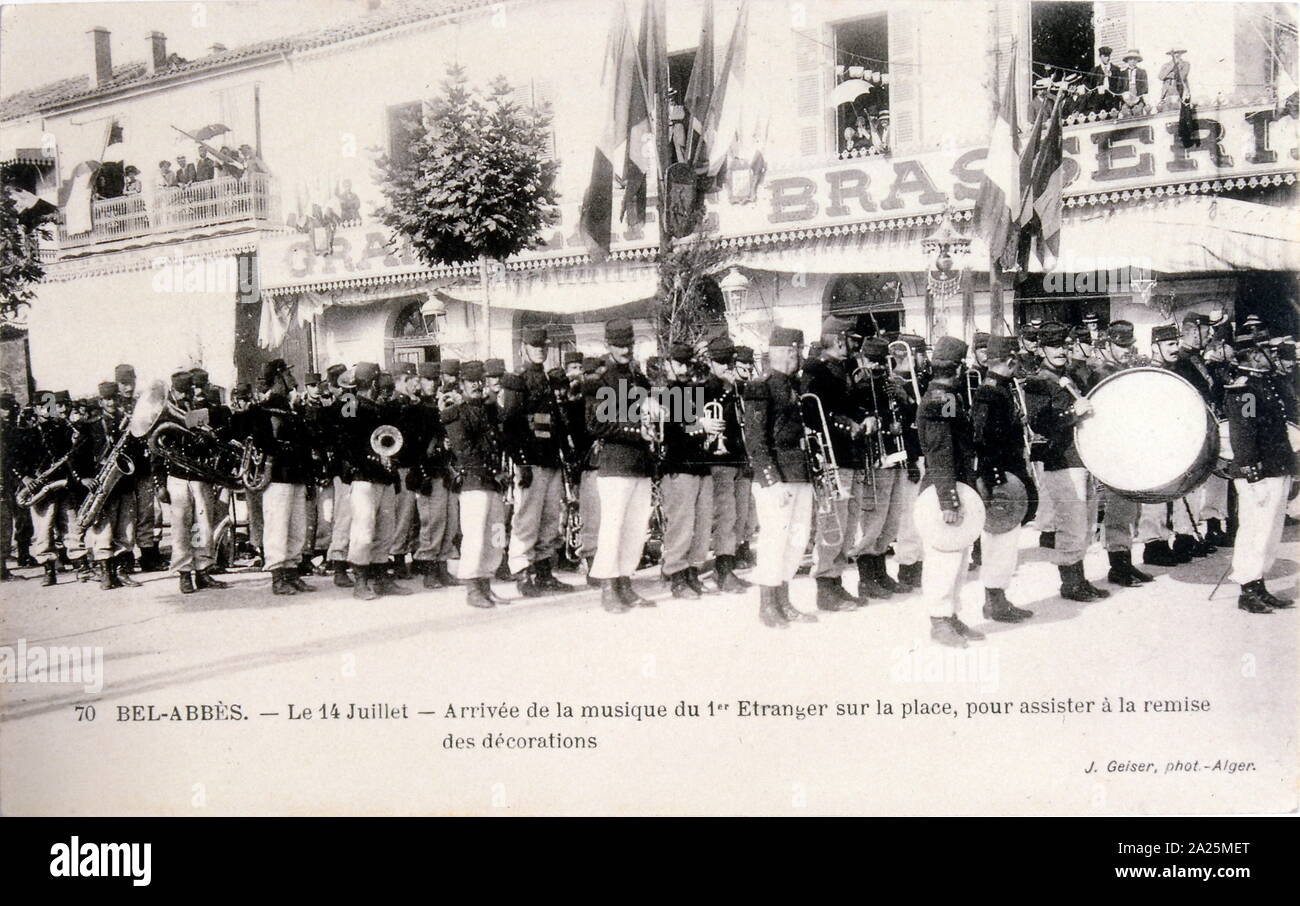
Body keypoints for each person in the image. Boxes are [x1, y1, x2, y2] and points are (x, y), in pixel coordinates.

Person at [1025, 322, 1110, 602]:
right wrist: (1073, 412)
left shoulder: (1072, 375)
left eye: (1064, 345)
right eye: (1053, 346)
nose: (1061, 351)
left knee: (1084, 523)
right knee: (1071, 524)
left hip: (1082, 458)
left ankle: (1080, 579)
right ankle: (1070, 583)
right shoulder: (1038, 382)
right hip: (1060, 460)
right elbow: (1040, 423)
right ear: (1041, 349)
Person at [743, 326, 817, 627]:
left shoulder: (793, 385)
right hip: (777, 479)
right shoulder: (761, 387)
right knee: (775, 540)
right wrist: (771, 481)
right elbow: (756, 440)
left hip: (798, 473)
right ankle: (767, 605)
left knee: (797, 540)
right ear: (789, 351)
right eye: (798, 351)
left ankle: (784, 600)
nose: (800, 357)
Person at [916, 337, 986, 647]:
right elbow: (940, 452)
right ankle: (939, 621)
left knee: (959, 557)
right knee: (943, 558)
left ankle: (952, 615)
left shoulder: (945, 396)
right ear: (957, 370)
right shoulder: (940, 399)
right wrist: (949, 500)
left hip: (956, 485)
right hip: (942, 489)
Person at [585, 318, 657, 613]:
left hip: (640, 463)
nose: (625, 350)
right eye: (619, 345)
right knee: (612, 527)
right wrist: (633, 430)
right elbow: (594, 424)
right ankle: (607, 586)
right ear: (608, 346)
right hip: (615, 464)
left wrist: (652, 424)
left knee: (636, 528)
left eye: (628, 344)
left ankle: (625, 581)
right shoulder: (598, 382)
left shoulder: (640, 381)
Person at [802, 316, 872, 610]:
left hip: (852, 455)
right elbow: (813, 411)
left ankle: (836, 581)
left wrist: (867, 417)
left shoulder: (843, 368)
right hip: (832, 456)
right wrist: (847, 424)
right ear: (836, 339)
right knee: (833, 522)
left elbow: (852, 403)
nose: (852, 345)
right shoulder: (814, 371)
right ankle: (825, 586)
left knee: (849, 520)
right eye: (848, 340)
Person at [1224, 326, 1293, 613]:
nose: (1273, 354)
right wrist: (1254, 474)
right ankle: (1247, 590)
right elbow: (1244, 433)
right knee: (1255, 529)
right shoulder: (1246, 389)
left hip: (1276, 467)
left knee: (1270, 531)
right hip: (1259, 473)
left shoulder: (1264, 382)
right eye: (1266, 349)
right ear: (1253, 355)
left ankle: (1258, 584)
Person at [501, 327, 574, 596]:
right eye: (535, 346)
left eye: (543, 346)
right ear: (524, 347)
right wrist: (520, 462)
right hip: (530, 460)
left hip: (551, 458)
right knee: (527, 518)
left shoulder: (546, 378)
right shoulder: (516, 380)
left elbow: (554, 422)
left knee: (549, 519)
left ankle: (544, 572)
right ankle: (522, 572)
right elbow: (510, 425)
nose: (540, 350)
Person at [971, 336, 1035, 621]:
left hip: (1007, 474)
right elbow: (982, 439)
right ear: (1010, 360)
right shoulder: (990, 392)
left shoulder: (1001, 388)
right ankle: (995, 601)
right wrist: (996, 481)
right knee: (999, 541)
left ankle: (999, 597)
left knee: (1006, 541)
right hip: (1000, 478)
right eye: (1016, 360)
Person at [151, 370, 230, 594]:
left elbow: (217, 429)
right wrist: (159, 483)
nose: (186, 396)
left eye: (190, 390)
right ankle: (184, 573)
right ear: (173, 391)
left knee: (202, 525)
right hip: (177, 476)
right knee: (180, 527)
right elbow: (156, 448)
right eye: (181, 392)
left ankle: (203, 570)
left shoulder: (202, 410)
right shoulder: (165, 413)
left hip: (201, 476)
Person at [1089, 321, 1155, 585]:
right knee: (1117, 509)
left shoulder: (1127, 368)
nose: (1126, 350)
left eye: (1129, 345)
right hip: (1111, 448)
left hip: (1130, 444)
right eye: (1120, 345)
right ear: (1107, 344)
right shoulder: (1098, 372)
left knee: (1131, 508)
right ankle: (1117, 566)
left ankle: (1126, 561)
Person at [443, 361, 511, 608]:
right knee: (475, 536)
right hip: (475, 482)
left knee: (495, 536)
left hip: (492, 484)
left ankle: (486, 584)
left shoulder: (489, 410)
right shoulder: (456, 414)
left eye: (480, 382)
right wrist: (495, 473)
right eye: (471, 382)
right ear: (461, 385)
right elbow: (466, 452)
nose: (477, 386)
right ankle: (472, 587)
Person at [344, 362, 410, 600]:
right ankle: (360, 583)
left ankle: (381, 578)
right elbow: (346, 438)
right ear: (372, 383)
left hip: (384, 475)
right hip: (364, 475)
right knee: (363, 529)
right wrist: (372, 457)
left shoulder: (379, 406)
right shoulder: (351, 404)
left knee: (385, 528)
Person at [657, 343, 716, 598]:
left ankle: (693, 570)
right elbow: (674, 431)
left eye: (687, 363)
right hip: (678, 465)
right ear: (667, 364)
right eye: (678, 363)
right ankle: (676, 574)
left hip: (700, 464)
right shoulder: (664, 394)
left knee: (703, 523)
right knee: (681, 524)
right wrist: (702, 426)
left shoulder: (694, 392)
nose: (683, 368)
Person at [255, 359, 315, 595]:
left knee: (296, 526)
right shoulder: (266, 408)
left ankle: (292, 571)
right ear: (278, 377)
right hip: (278, 476)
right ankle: (278, 576)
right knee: (278, 526)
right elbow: (264, 442)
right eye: (287, 373)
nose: (293, 377)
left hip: (296, 475)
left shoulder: (291, 407)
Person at [16, 390, 88, 587]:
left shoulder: (63, 429)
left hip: (62, 484)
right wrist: (26, 478)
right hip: (41, 487)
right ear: (37, 409)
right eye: (44, 406)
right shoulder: (25, 433)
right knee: (43, 529)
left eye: (51, 405)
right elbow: (15, 460)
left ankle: (82, 566)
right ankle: (48, 570)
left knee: (72, 526)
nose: (48, 409)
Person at [702, 336, 751, 593]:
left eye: (728, 362)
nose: (725, 367)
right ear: (710, 362)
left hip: (740, 457)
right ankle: (722, 569)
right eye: (720, 362)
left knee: (739, 517)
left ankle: (729, 565)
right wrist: (726, 389)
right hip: (719, 459)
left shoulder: (738, 387)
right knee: (726, 516)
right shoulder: (707, 388)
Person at [82, 382, 142, 590]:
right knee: (104, 528)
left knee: (126, 527)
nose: (111, 403)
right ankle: (106, 572)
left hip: (124, 482)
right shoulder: (91, 425)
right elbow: (77, 455)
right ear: (100, 401)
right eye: (107, 399)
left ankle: (121, 570)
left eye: (114, 399)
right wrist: (84, 477)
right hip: (104, 483)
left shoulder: (127, 423)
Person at [411, 362, 459, 588]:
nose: (433, 384)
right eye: (428, 379)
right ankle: (429, 568)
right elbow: (418, 444)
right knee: (432, 522)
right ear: (420, 381)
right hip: (428, 471)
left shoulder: (441, 404)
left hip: (445, 469)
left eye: (435, 380)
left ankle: (443, 567)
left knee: (449, 521)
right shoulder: (417, 408)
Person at [1088, 46, 1122, 115]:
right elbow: (1087, 83)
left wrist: (1112, 76)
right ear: (1100, 56)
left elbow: (1120, 84)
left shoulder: (1116, 69)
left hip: (1112, 99)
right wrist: (1095, 89)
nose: (1108, 58)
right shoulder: (1095, 70)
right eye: (1105, 56)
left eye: (1108, 56)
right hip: (1099, 100)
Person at [1116, 50, 1149, 118]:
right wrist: (1124, 97)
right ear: (1127, 61)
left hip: (1138, 97)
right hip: (1126, 97)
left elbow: (1145, 88)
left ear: (1137, 60)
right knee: (1125, 114)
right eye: (1130, 59)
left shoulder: (1142, 72)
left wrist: (1138, 98)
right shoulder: (1122, 74)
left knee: (1138, 114)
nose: (1133, 61)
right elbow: (1119, 89)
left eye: (1135, 59)